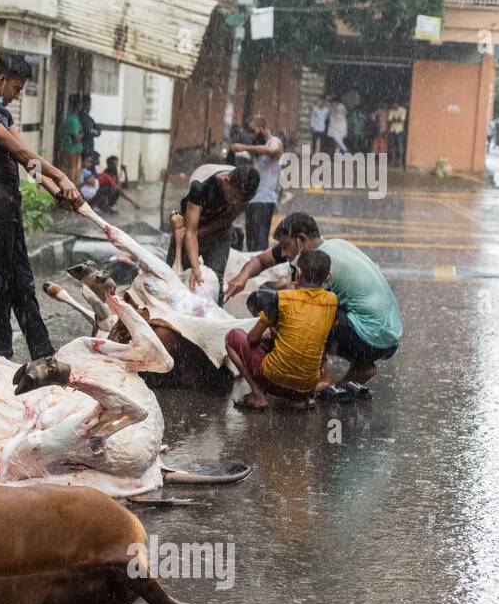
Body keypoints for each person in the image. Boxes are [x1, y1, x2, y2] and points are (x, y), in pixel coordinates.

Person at [0, 54, 82, 361]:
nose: (16, 96)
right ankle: (4, 353)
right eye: (15, 88)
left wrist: (54, 191)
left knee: (21, 280)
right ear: (0, 79)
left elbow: (27, 165)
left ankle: (38, 352)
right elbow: (23, 152)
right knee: (1, 281)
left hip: (7, 207)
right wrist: (62, 176)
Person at [223, 212, 402, 396]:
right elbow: (261, 260)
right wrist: (242, 277)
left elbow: (304, 314)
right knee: (274, 298)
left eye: (286, 246)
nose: (283, 253)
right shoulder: (332, 246)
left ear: (302, 240)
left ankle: (323, 377)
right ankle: (362, 366)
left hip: (371, 337)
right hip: (388, 338)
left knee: (276, 305)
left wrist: (271, 332)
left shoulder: (321, 264)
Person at [225, 248, 337, 410]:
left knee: (233, 337)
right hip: (306, 386)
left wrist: (270, 333)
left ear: (297, 273)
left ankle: (258, 395)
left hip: (274, 381)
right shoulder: (332, 301)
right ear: (328, 277)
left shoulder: (283, 298)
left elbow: (251, 339)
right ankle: (299, 398)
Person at [166, 162, 260, 303]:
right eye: (234, 196)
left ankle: (215, 317)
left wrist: (205, 232)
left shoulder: (244, 190)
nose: (235, 202)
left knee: (214, 281)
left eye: (240, 200)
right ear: (226, 181)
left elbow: (229, 218)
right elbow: (191, 232)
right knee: (174, 279)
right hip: (190, 229)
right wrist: (195, 267)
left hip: (220, 232)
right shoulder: (201, 187)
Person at [230, 114, 283, 251]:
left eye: (254, 131)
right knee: (251, 243)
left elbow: (273, 150)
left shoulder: (274, 141)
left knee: (259, 243)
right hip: (253, 200)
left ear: (263, 128)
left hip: (264, 201)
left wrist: (245, 147)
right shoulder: (260, 147)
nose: (252, 136)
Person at [56, 96, 83, 187]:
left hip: (71, 150)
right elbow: (75, 138)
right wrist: (82, 135)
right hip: (71, 151)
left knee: (73, 174)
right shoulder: (72, 120)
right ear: (78, 105)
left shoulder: (73, 118)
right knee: (71, 175)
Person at [388, 101, 407, 167]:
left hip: (400, 131)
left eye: (394, 105)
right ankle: (393, 160)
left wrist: (394, 120)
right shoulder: (391, 110)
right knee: (392, 145)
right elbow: (389, 120)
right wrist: (397, 120)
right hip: (392, 130)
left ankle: (400, 160)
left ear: (397, 104)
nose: (393, 106)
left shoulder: (403, 110)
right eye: (392, 105)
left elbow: (402, 120)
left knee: (400, 145)